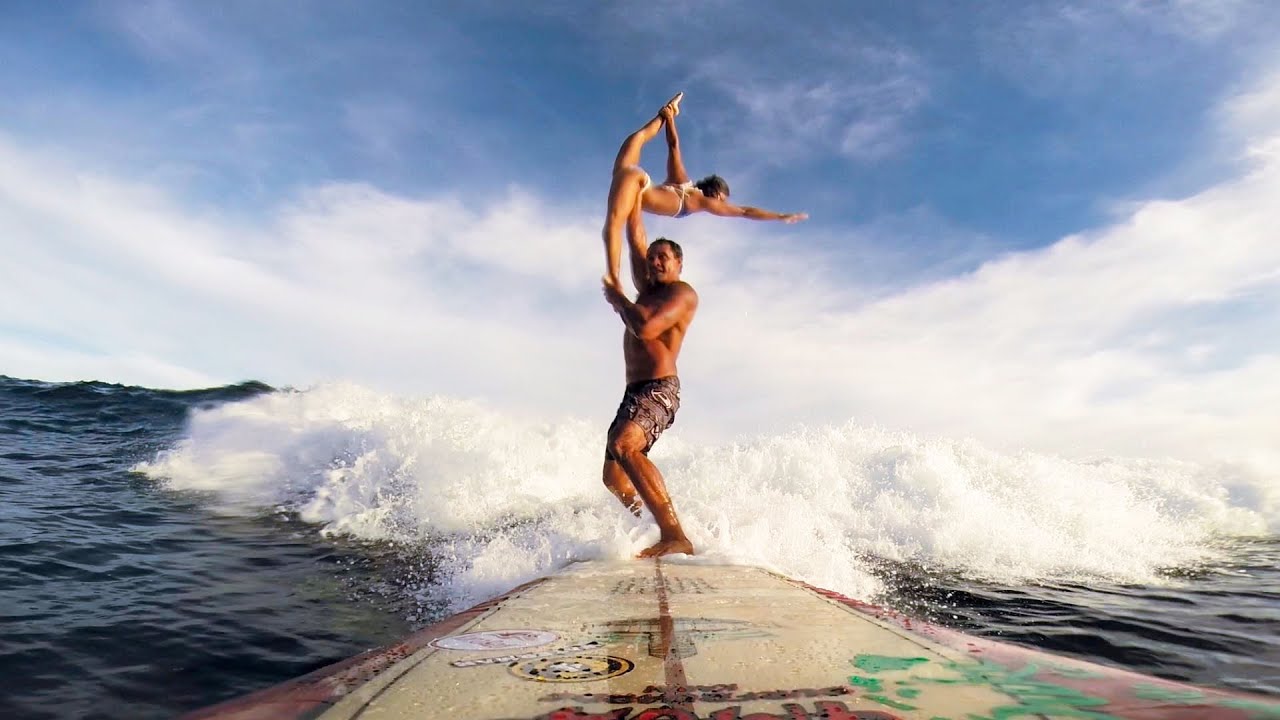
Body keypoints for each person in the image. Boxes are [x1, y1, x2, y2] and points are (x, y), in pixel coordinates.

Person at [602, 92, 809, 291]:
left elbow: (673, 146)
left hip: (632, 177)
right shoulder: (702, 201)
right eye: (723, 200)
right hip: (635, 181)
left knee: (638, 138)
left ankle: (667, 111)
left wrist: (669, 119)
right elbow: (745, 211)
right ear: (717, 194)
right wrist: (779, 216)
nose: (722, 204)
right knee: (614, 222)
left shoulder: (681, 181)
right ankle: (613, 277)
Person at [600, 202, 699, 558]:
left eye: (663, 257)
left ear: (678, 264)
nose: (655, 262)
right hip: (634, 392)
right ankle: (647, 524)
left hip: (659, 388)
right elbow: (635, 237)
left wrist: (618, 299)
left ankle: (675, 534)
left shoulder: (681, 293)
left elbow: (645, 327)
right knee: (613, 476)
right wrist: (632, 201)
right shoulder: (648, 293)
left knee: (627, 446)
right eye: (651, 257)